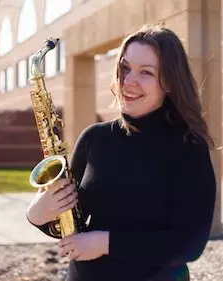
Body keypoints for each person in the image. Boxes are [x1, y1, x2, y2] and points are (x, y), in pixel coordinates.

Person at [26, 24, 216, 281]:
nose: (128, 81)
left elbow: (189, 244)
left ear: (170, 82)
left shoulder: (188, 148)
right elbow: (70, 223)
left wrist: (105, 243)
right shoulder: (94, 138)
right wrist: (38, 212)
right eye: (125, 68)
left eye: (145, 72)